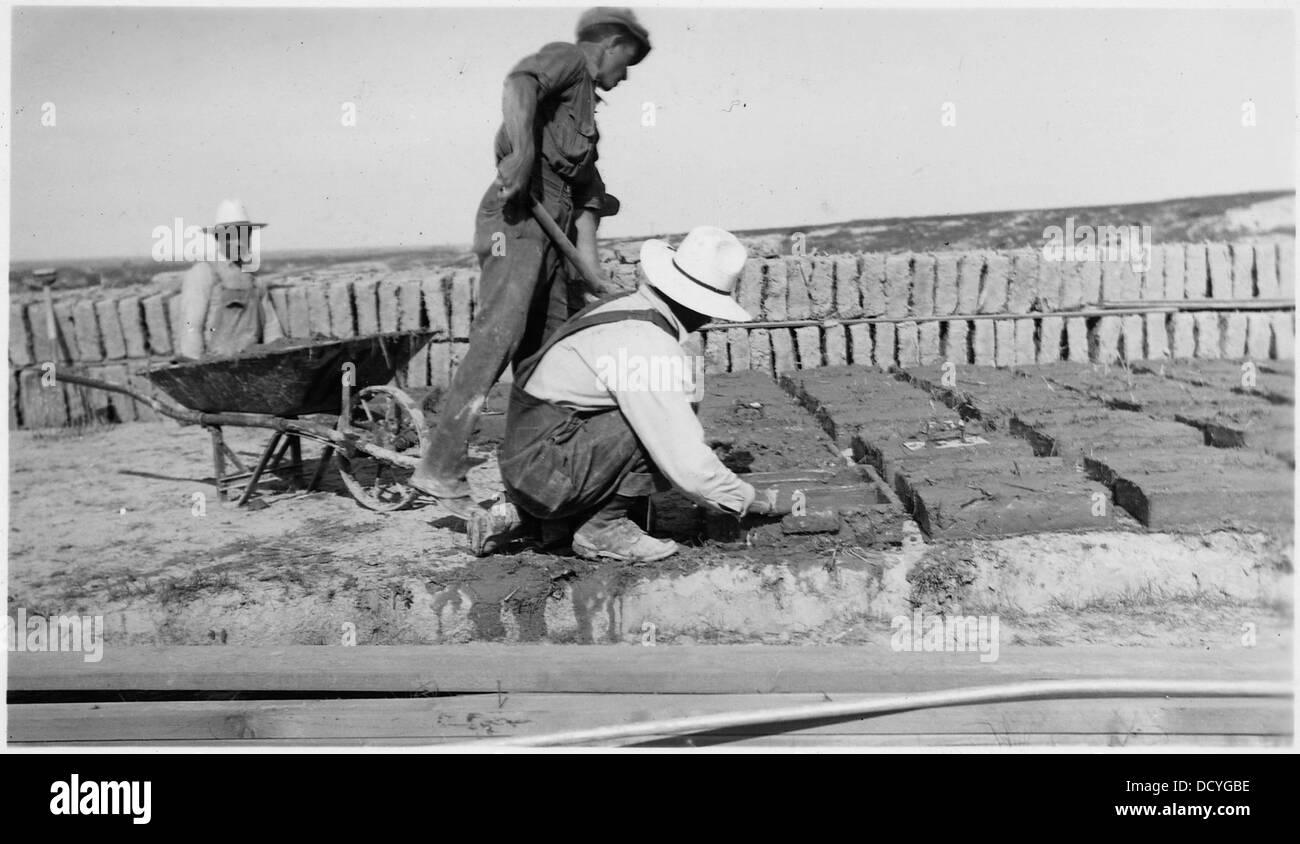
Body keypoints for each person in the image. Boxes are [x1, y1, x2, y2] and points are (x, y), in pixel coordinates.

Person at [409, 7, 652, 516]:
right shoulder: (568, 60)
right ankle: (440, 464)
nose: (626, 76)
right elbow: (519, 83)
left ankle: (539, 475)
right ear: (610, 42)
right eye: (628, 61)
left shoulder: (588, 120)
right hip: (517, 220)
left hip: (554, 232)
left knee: (550, 353)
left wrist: (592, 276)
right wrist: (522, 154)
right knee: (501, 331)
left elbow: (587, 208)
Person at [468, 226, 760, 562]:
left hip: (533, 459)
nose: (709, 318)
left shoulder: (628, 307)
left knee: (660, 411)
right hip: (544, 469)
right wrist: (745, 498)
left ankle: (532, 520)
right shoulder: (646, 342)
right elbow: (684, 462)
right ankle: (602, 528)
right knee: (659, 423)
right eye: (711, 308)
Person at [177, 199, 283, 359]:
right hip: (216, 368)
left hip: (253, 365)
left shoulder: (253, 277)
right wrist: (197, 371)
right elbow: (191, 328)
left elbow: (270, 325)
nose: (239, 242)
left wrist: (279, 359)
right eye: (232, 235)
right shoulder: (204, 273)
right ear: (218, 237)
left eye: (244, 235)